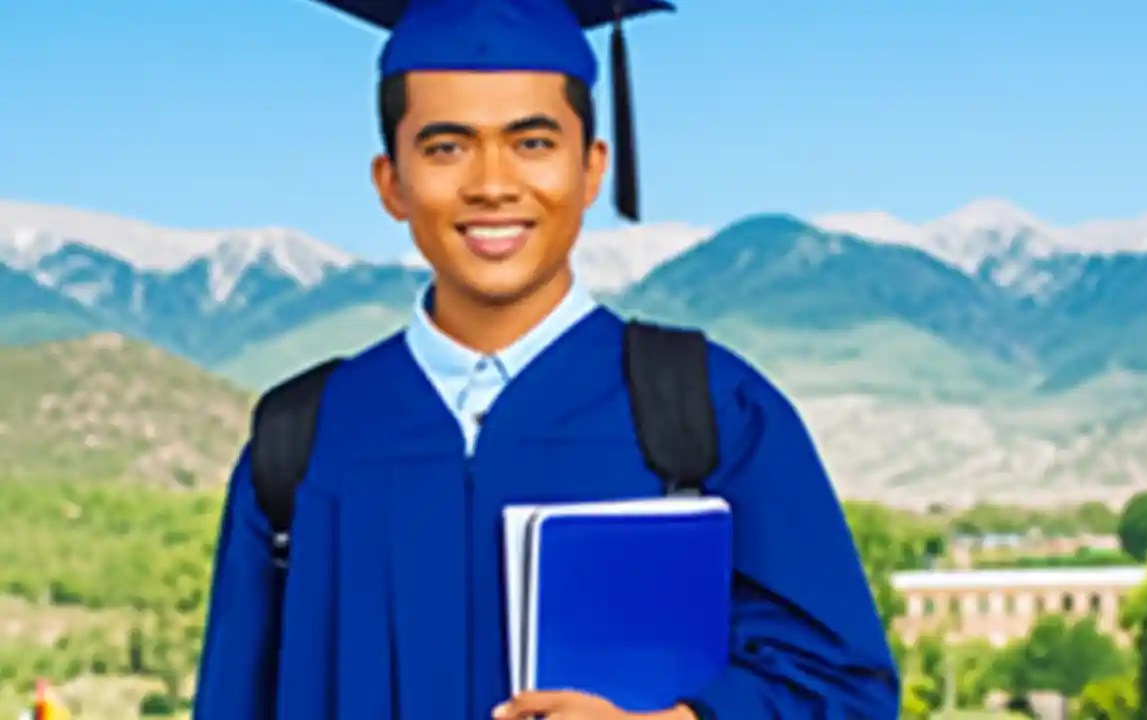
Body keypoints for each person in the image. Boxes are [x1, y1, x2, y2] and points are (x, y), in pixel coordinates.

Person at [191, 0, 901, 718]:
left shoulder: (709, 410)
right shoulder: (301, 440)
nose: (493, 183)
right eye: (446, 147)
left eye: (532, 143)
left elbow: (841, 691)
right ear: (391, 182)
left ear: (592, 168)